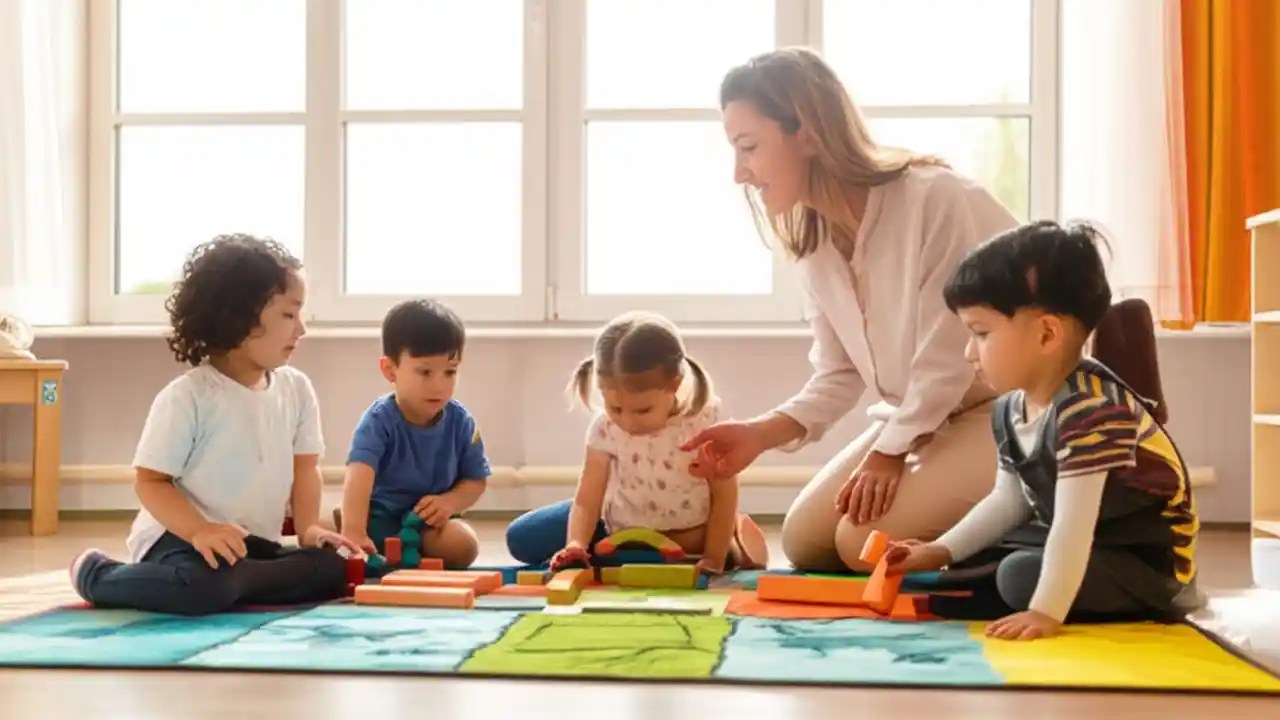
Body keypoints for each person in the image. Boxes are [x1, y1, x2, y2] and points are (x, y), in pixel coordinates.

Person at [681, 47, 1021, 571]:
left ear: (810, 133)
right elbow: (839, 373)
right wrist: (760, 433)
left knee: (860, 545)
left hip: (1008, 412)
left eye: (748, 147)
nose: (739, 173)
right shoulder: (815, 240)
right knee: (806, 542)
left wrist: (889, 453)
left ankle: (1025, 525)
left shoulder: (936, 200)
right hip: (926, 417)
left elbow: (948, 358)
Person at [886, 220, 1203, 640]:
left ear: (1047, 334)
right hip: (1092, 547)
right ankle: (976, 583)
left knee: (1018, 574)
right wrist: (938, 550)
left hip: (1147, 566)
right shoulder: (1011, 409)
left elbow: (1072, 527)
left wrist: (1045, 613)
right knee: (976, 556)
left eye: (981, 334)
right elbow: (1009, 500)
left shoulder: (1092, 411)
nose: (968, 353)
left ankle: (1015, 593)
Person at [69, 234, 356, 615]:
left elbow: (306, 469)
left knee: (332, 568)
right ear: (238, 317)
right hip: (178, 538)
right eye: (289, 314)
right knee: (204, 588)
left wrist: (309, 530)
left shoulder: (297, 390)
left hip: (247, 544)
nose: (301, 329)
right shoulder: (190, 396)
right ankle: (96, 573)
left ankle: (241, 582)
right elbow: (150, 481)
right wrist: (199, 531)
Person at [504, 311, 767, 574]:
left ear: (674, 384)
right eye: (616, 408)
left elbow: (725, 493)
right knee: (521, 538)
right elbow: (587, 499)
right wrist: (575, 544)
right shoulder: (605, 427)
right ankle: (612, 550)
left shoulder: (704, 420)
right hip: (620, 526)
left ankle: (731, 540)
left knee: (662, 559)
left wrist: (714, 557)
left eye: (642, 411)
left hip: (689, 531)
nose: (628, 423)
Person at [339, 299, 489, 569]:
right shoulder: (379, 420)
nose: (439, 385)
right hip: (376, 520)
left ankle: (408, 554)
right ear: (390, 369)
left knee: (463, 544)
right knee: (326, 536)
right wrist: (354, 531)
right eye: (425, 372)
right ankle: (369, 542)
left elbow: (475, 480)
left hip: (426, 526)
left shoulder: (461, 421)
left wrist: (449, 502)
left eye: (450, 372)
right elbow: (358, 475)